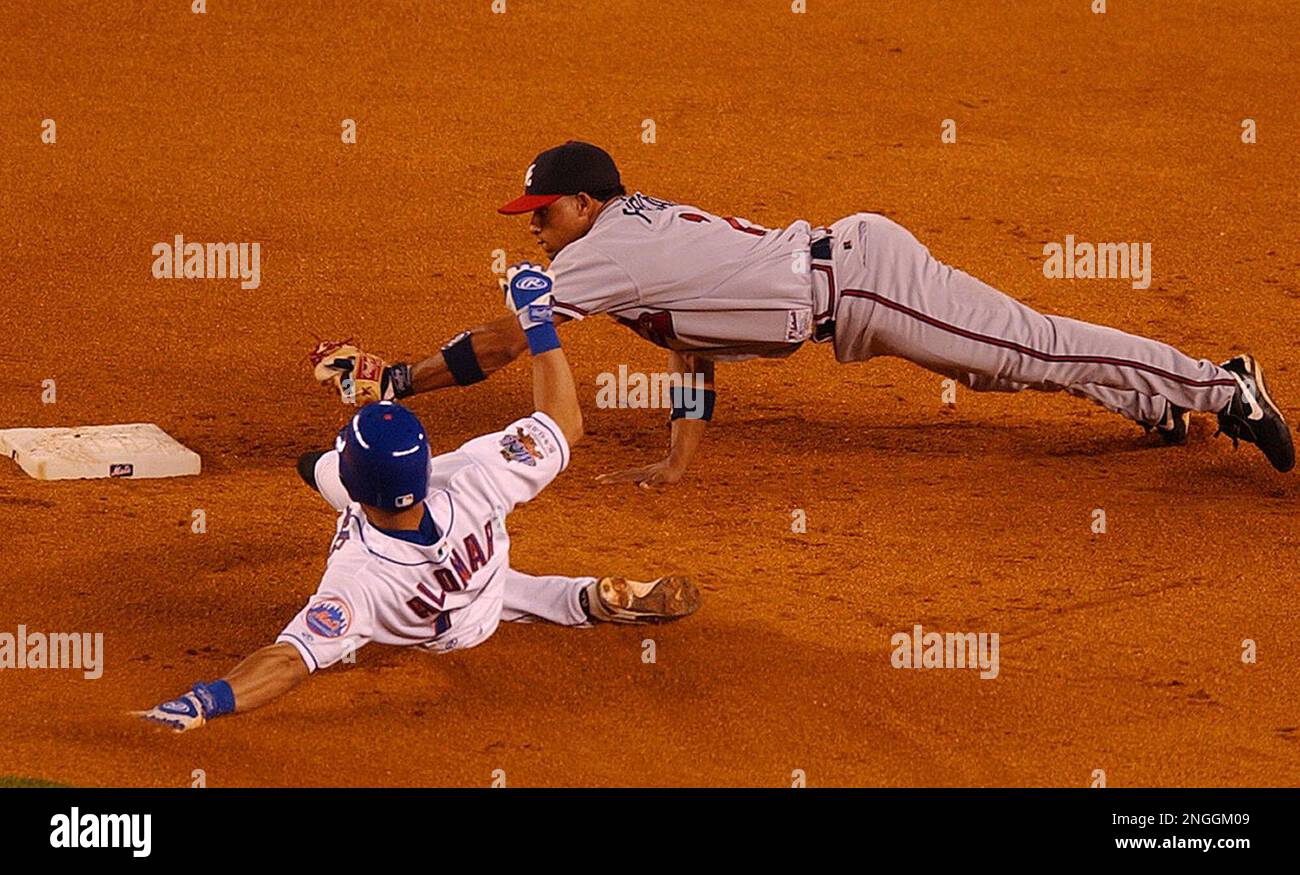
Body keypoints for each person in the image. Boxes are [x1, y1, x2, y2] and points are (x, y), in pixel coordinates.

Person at [310, 140, 1294, 482]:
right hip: (851, 283)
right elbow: (688, 342)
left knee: (1023, 346)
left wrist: (399, 380)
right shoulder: (628, 252)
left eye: (539, 213)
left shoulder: (601, 249)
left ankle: (1218, 383)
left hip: (861, 284)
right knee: (1006, 361)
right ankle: (1161, 406)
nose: (533, 229)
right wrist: (679, 457)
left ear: (579, 203)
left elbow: (505, 338)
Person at [135, 268, 700, 732]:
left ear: (356, 490)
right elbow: (564, 422)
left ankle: (580, 600)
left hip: (436, 625)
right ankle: (585, 600)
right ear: (428, 461)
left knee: (312, 466)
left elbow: (288, 661)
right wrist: (537, 321)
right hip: (477, 576)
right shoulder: (476, 477)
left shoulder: (357, 581)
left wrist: (206, 701)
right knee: (495, 585)